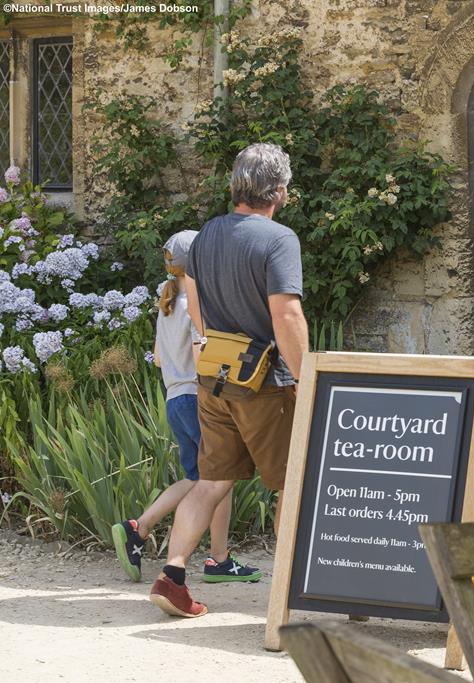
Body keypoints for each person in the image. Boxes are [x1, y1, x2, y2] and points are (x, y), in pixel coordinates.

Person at [148, 143, 309, 618]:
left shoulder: (206, 236)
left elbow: (196, 312)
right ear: (278, 190)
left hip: (213, 377)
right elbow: (287, 316)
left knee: (210, 481)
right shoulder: (278, 239)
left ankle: (172, 576)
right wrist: (307, 376)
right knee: (289, 485)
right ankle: (287, 592)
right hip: (266, 383)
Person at [112, 232, 259, 585]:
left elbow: (161, 360)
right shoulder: (195, 305)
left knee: (200, 479)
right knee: (221, 478)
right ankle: (218, 560)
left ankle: (139, 528)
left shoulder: (167, 305)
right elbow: (200, 355)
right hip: (199, 398)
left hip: (175, 398)